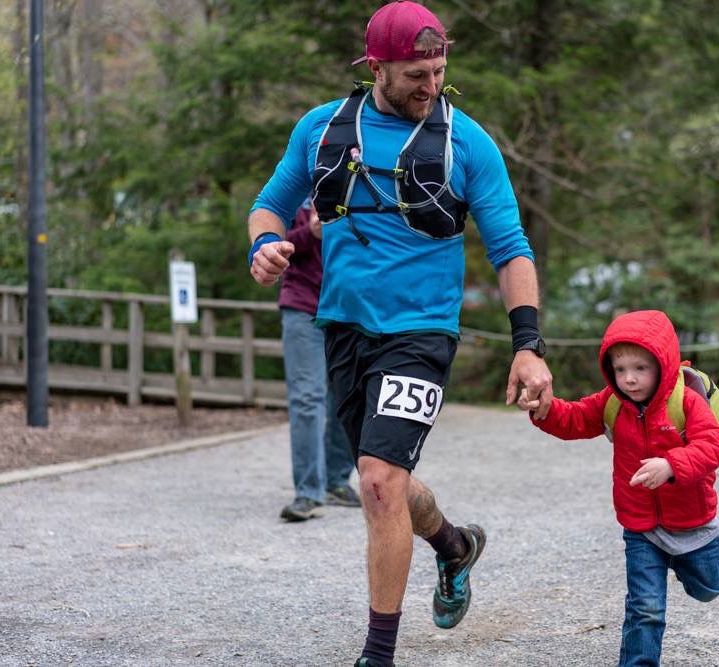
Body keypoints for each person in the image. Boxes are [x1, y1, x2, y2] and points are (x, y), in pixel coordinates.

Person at [246, 3, 554, 665]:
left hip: (422, 331)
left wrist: (527, 345)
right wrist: (265, 246)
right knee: (378, 479)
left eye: (439, 70)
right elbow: (268, 205)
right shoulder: (322, 128)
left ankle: (377, 654)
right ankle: (453, 544)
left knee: (379, 481)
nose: (431, 84)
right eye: (417, 73)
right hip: (344, 329)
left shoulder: (467, 143)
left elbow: (512, 250)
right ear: (376, 66)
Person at [518, 310, 719, 667]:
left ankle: (710, 570)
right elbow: (575, 419)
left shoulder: (687, 401)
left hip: (692, 521)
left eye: (640, 369)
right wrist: (545, 410)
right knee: (645, 608)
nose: (629, 379)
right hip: (641, 526)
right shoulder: (613, 403)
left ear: (662, 364)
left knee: (708, 589)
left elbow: (713, 447)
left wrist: (672, 465)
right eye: (620, 370)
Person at [278, 199, 361, 522]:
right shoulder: (293, 190)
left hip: (347, 309)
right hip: (302, 307)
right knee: (308, 398)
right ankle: (308, 491)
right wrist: (310, 233)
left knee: (346, 396)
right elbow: (273, 245)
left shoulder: (359, 182)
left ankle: (336, 480)